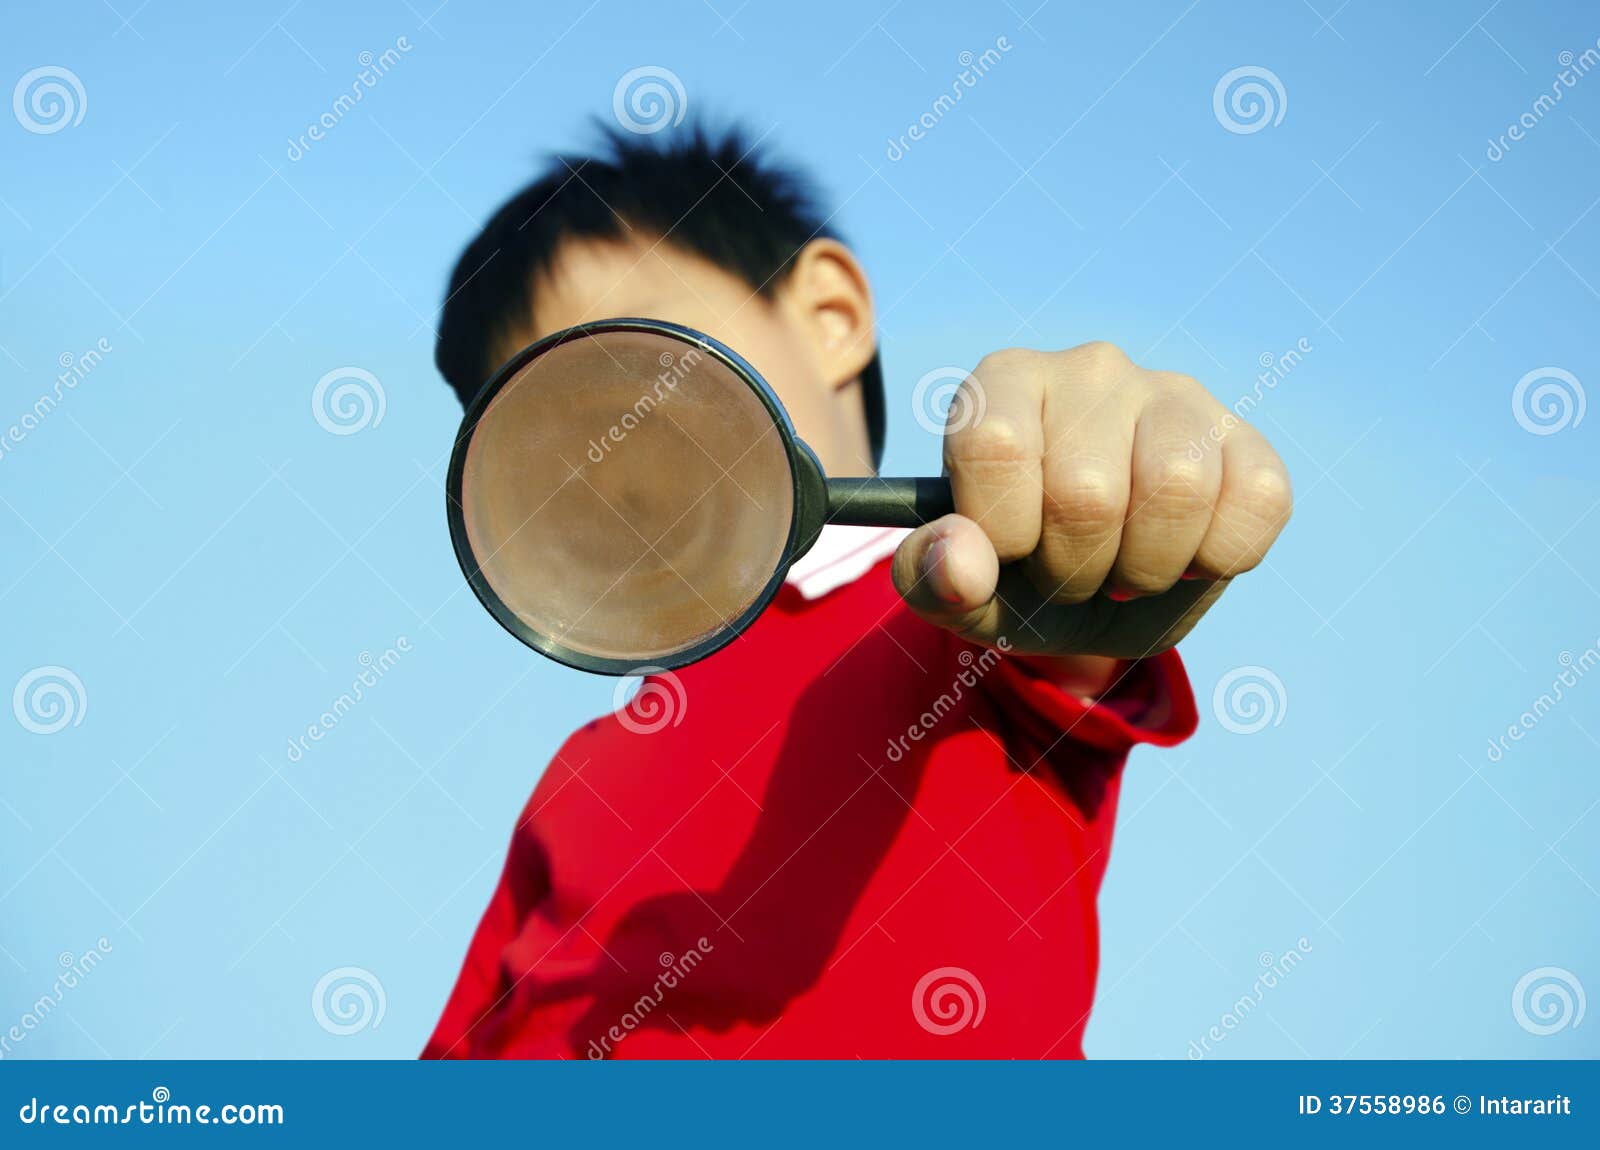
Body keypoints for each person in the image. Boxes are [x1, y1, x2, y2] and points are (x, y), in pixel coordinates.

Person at [422, 124, 1291, 1059]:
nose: (594, 462)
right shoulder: (577, 773)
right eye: (533, 443)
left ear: (831, 314)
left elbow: (1069, 605)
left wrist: (1103, 458)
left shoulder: (969, 612)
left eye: (628, 372)